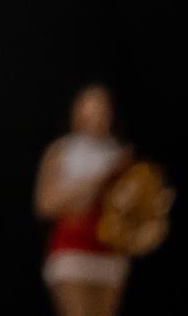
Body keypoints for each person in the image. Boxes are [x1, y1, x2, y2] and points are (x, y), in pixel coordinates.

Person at [37, 85, 133, 316]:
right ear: (77, 113)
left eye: (102, 109)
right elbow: (45, 204)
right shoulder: (61, 151)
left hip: (109, 251)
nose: (96, 116)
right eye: (90, 109)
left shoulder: (119, 154)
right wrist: (98, 179)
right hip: (73, 248)